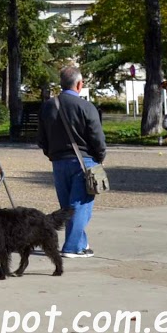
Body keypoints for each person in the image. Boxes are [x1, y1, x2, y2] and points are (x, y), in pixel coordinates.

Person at [37, 64, 107, 258]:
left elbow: (41, 138)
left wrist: (51, 154)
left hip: (58, 162)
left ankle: (81, 244)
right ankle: (72, 247)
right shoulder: (85, 106)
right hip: (83, 161)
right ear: (79, 84)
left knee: (68, 206)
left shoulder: (49, 106)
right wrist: (99, 157)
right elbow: (97, 137)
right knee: (81, 205)